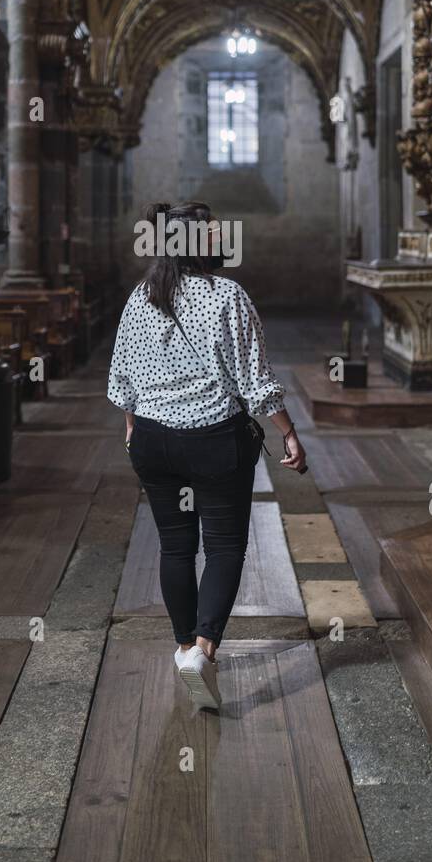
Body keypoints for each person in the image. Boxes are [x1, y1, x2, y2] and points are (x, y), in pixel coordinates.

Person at [107, 201, 308, 711]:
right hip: (214, 441)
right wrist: (288, 432)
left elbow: (122, 374)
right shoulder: (228, 297)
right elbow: (255, 381)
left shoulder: (141, 295)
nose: (224, 240)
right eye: (217, 234)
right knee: (222, 548)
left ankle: (182, 648)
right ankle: (203, 648)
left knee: (175, 549)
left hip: (153, 441)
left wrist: (133, 428)